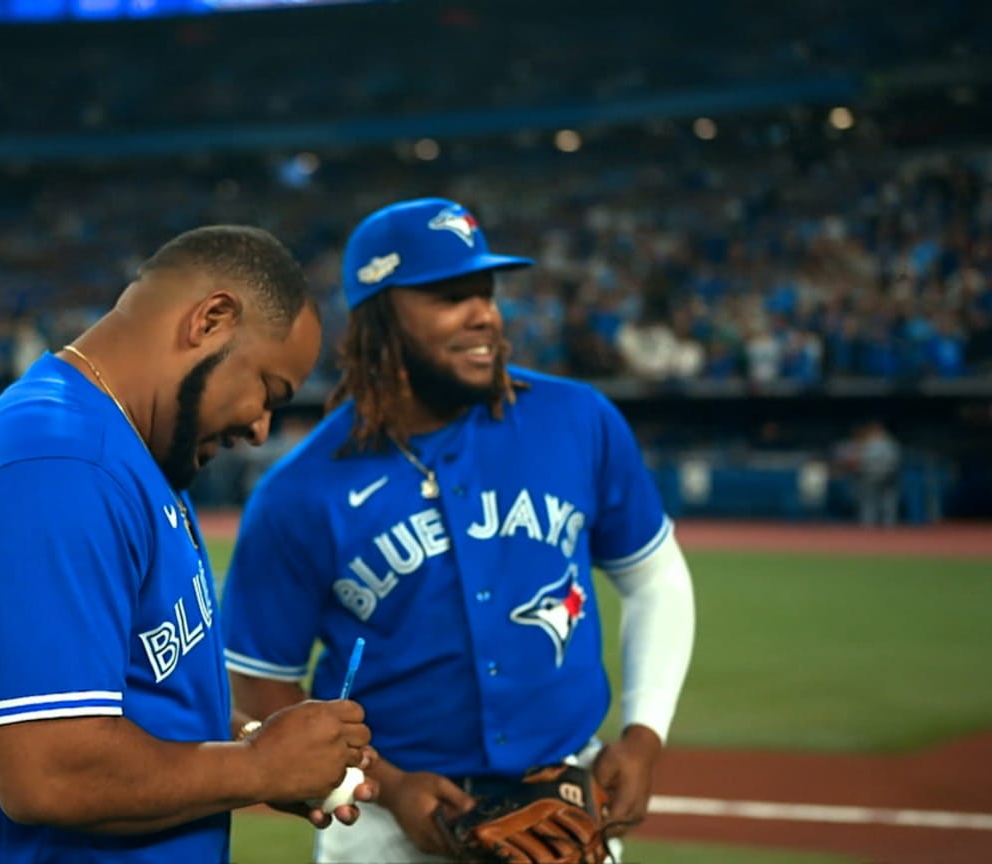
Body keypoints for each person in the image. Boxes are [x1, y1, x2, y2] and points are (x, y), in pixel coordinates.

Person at [0, 225, 377, 864]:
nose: (260, 427)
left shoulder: (128, 447)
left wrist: (263, 749)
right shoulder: (57, 467)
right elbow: (53, 773)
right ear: (211, 320)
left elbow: (141, 689)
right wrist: (256, 767)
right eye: (268, 391)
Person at [219, 198, 697, 863]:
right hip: (385, 831)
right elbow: (259, 684)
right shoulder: (299, 492)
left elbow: (656, 578)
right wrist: (385, 786)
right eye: (449, 296)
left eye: (487, 292)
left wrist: (644, 737)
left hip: (564, 805)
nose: (485, 315)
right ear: (380, 318)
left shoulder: (576, 419)